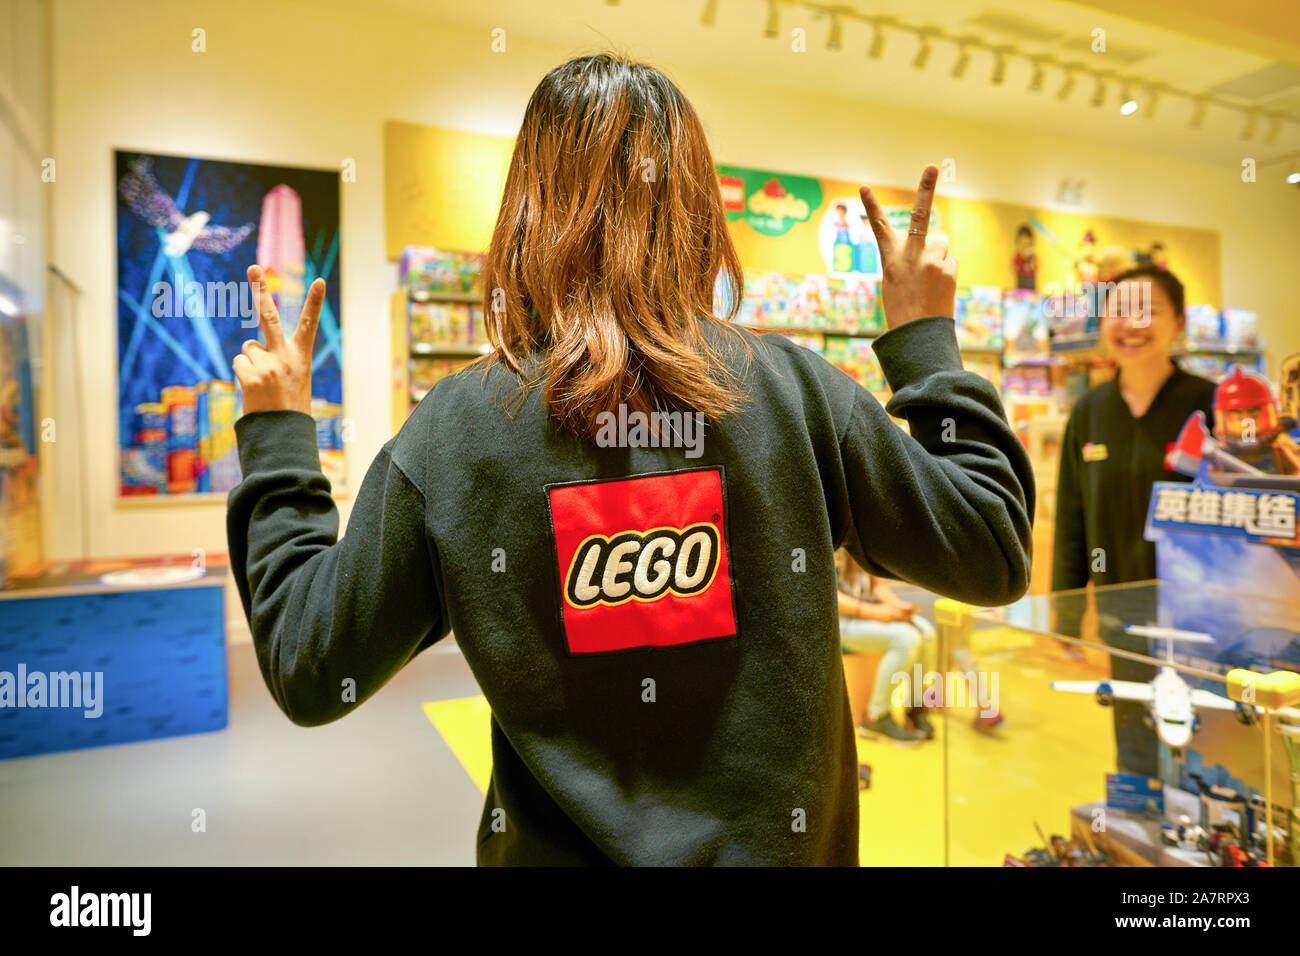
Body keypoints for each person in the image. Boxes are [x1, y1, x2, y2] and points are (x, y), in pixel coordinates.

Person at [226, 54, 1033, 866]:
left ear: (525, 209)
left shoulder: (456, 430)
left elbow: (311, 661)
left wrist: (280, 434)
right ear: (697, 208)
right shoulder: (795, 393)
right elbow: (990, 549)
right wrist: (926, 343)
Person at [1052, 265, 1216, 776]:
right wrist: (1066, 610)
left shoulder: (1209, 406)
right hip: (1122, 613)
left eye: (1148, 310)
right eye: (1119, 311)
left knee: (1204, 748)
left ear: (1179, 323)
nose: (1131, 324)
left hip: (1204, 620)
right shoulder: (1089, 412)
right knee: (1135, 746)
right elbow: (1073, 516)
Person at [837, 552, 937, 741]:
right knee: (906, 638)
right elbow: (828, 595)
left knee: (927, 632)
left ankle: (915, 706)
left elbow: (875, 584)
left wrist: (897, 607)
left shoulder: (859, 539)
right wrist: (875, 612)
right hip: (839, 622)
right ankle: (876, 716)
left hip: (865, 613)